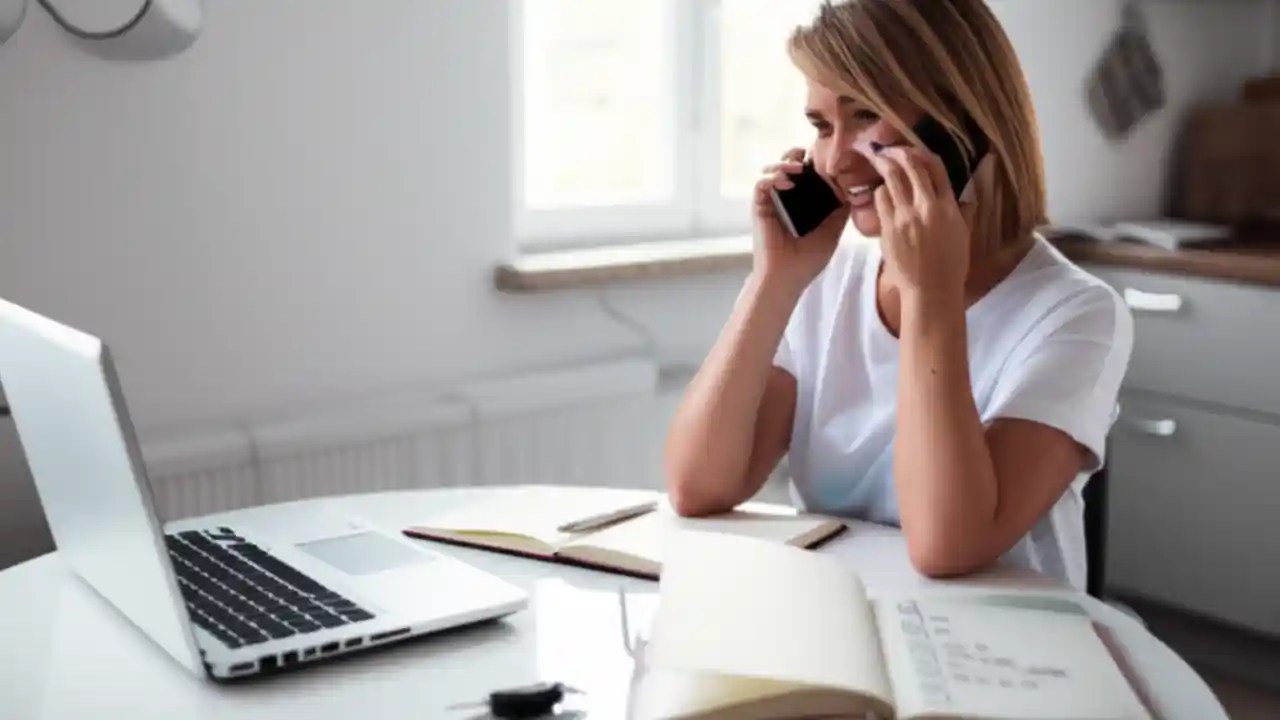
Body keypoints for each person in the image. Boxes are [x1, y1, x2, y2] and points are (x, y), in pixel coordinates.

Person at [663, 0, 1132, 591]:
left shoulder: (1076, 314)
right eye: (821, 127)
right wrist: (773, 281)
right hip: (844, 616)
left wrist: (930, 294)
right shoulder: (825, 282)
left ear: (960, 129)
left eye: (865, 115)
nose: (834, 160)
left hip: (997, 635)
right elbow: (697, 486)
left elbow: (945, 544)